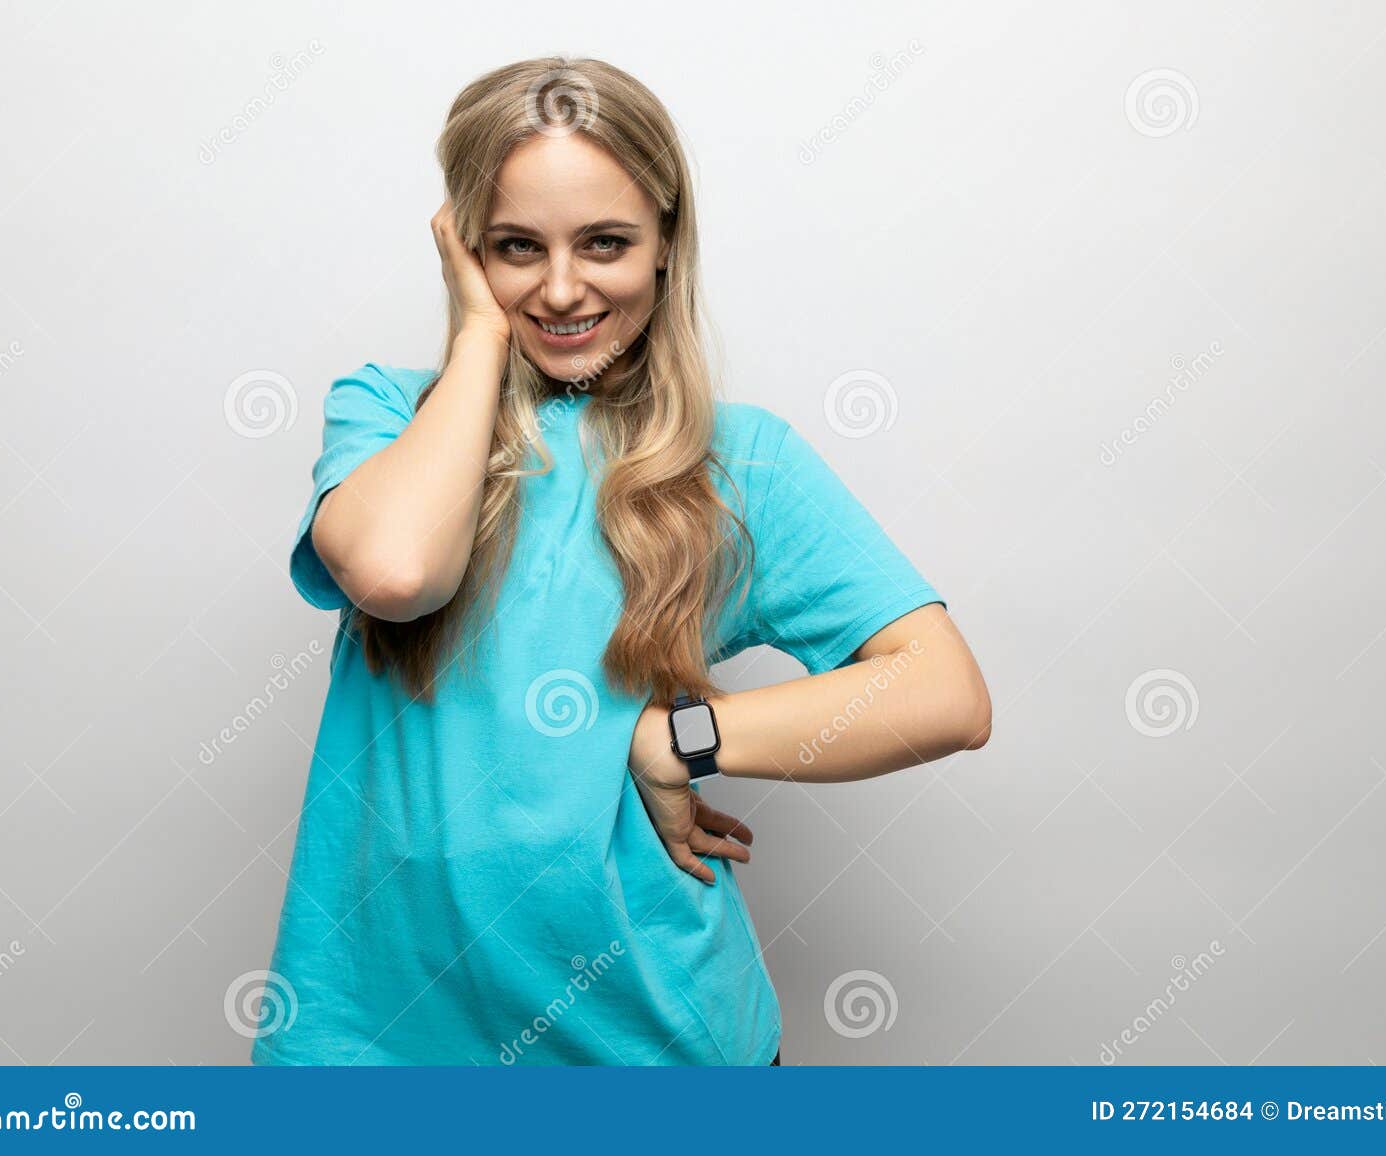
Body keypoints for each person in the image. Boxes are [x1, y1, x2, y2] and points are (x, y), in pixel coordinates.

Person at [251, 56, 992, 1067]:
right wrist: (477, 335)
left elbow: (942, 692)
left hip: (656, 1051)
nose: (561, 289)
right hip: (373, 1052)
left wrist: (677, 740)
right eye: (516, 247)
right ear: (465, 251)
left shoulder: (742, 461)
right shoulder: (388, 415)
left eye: (604, 243)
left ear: (664, 249)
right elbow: (394, 571)